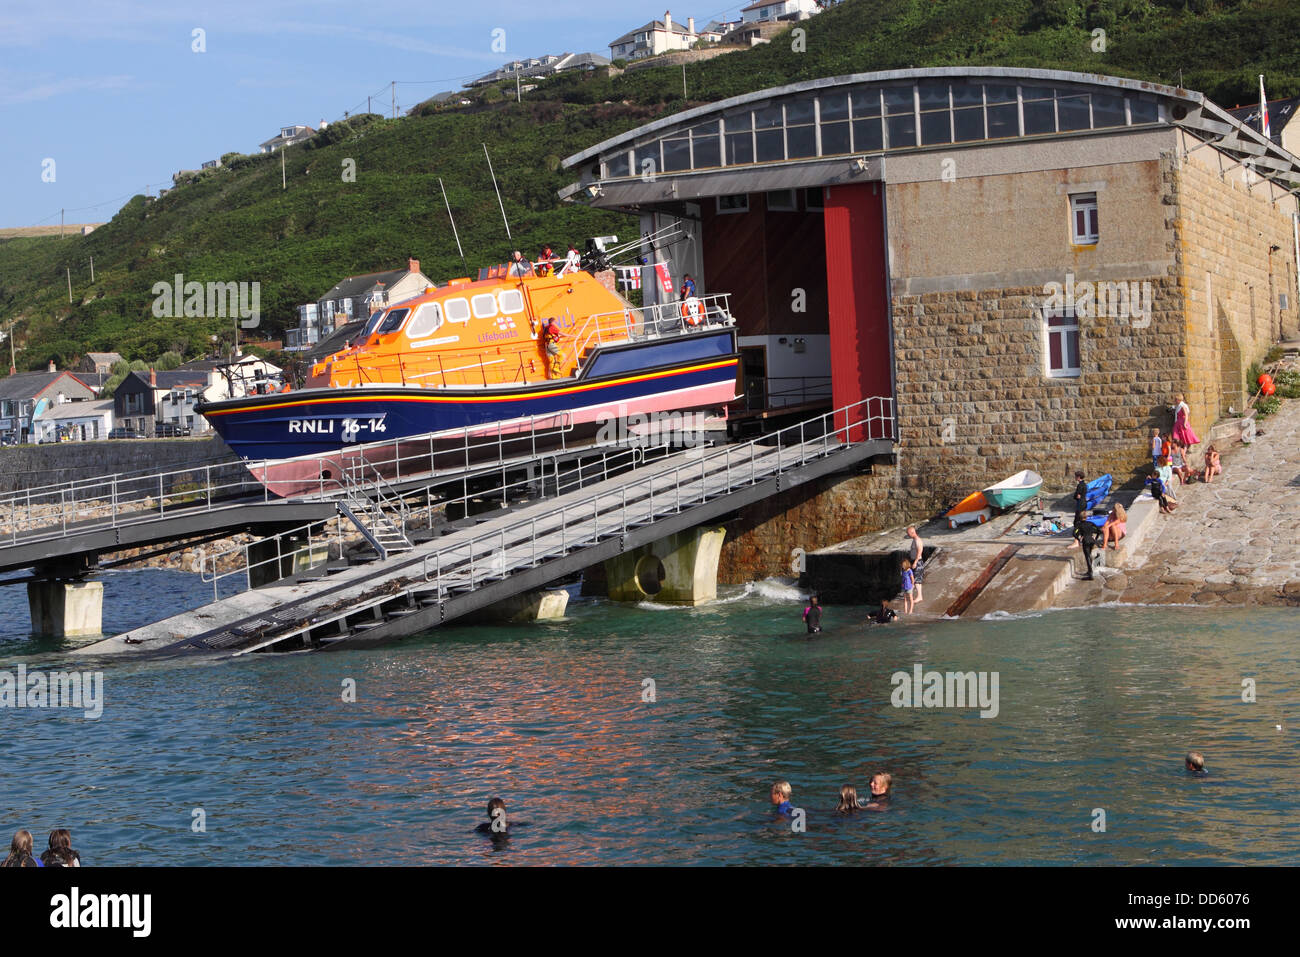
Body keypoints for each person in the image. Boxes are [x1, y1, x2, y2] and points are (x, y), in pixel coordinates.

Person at [906, 525, 925, 603]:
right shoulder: (914, 540)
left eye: (908, 533)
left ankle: (919, 596)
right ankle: (919, 595)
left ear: (912, 532)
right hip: (914, 561)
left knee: (917, 580)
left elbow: (920, 551)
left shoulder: (917, 540)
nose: (908, 535)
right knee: (916, 579)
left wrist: (915, 562)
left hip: (918, 562)